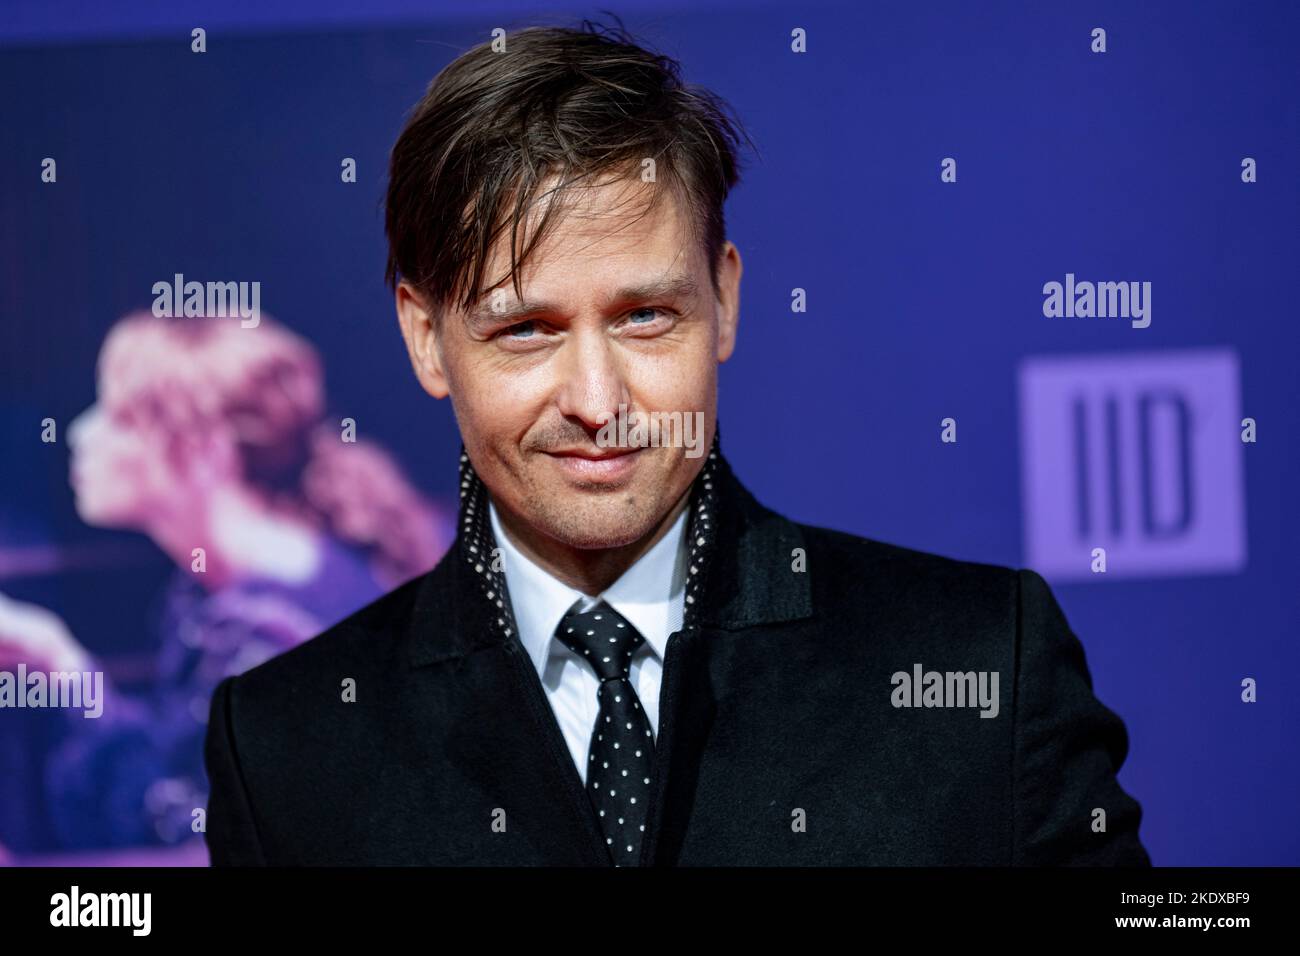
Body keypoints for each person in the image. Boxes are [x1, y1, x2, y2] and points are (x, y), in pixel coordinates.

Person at [203, 21, 1151, 866]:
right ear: (425, 337)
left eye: (645, 316)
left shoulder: (985, 664)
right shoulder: (285, 747)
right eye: (525, 329)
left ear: (726, 300)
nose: (596, 399)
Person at [0, 311, 449, 849]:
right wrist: (55, 657)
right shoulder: (240, 587)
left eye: (115, 415)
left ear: (203, 448)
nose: (80, 433)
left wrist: (66, 672)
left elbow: (187, 831)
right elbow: (180, 760)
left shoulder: (271, 636)